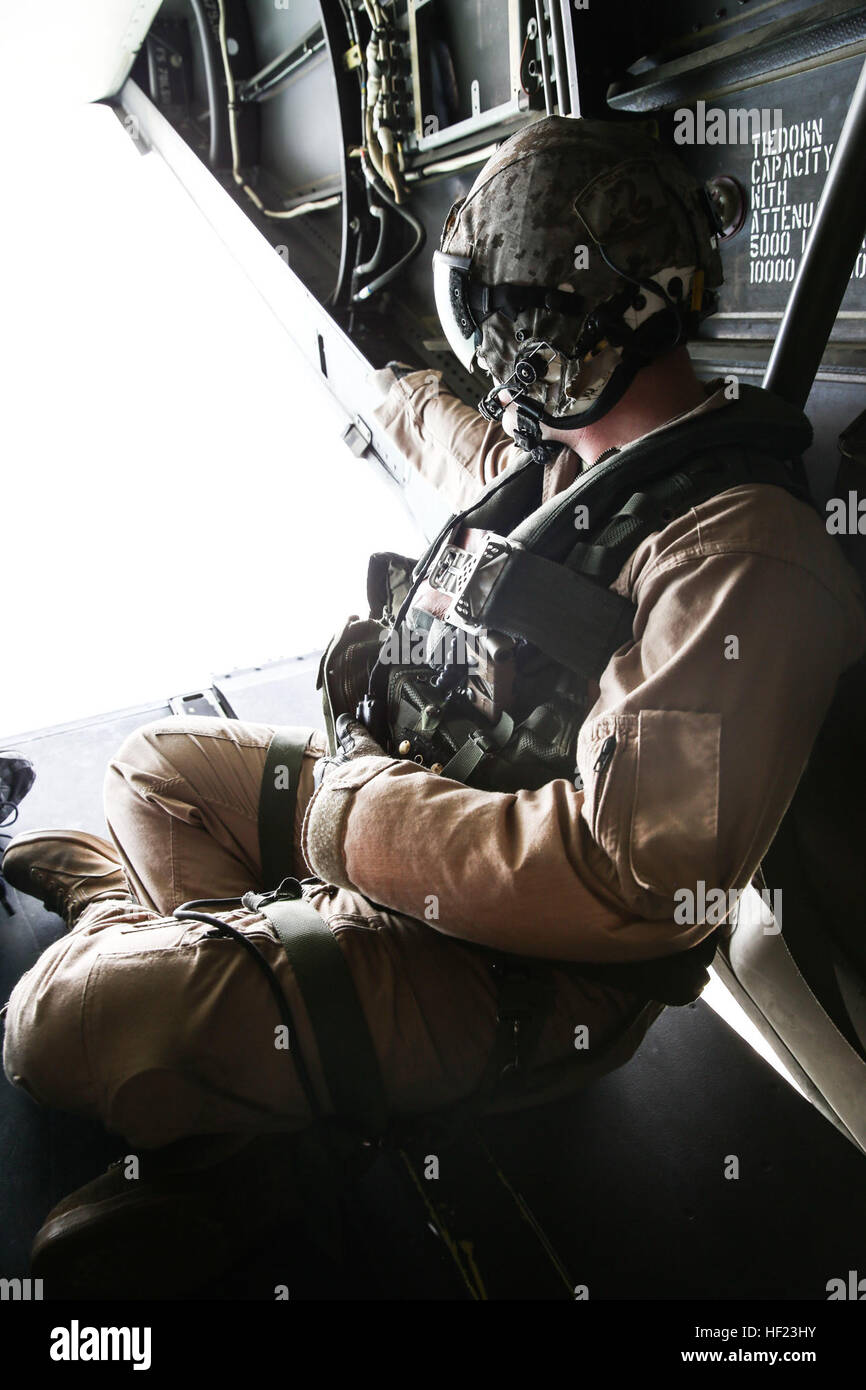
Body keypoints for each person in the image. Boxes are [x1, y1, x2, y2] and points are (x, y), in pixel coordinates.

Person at [2, 117, 864, 1295]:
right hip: (422, 820)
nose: (486, 351)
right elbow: (446, 439)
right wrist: (384, 385)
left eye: (492, 314)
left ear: (551, 324)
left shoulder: (741, 561)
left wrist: (351, 822)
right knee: (154, 768)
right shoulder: (570, 464)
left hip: (526, 972)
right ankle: (250, 1097)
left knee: (57, 1024)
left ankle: (174, 1002)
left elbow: (634, 882)